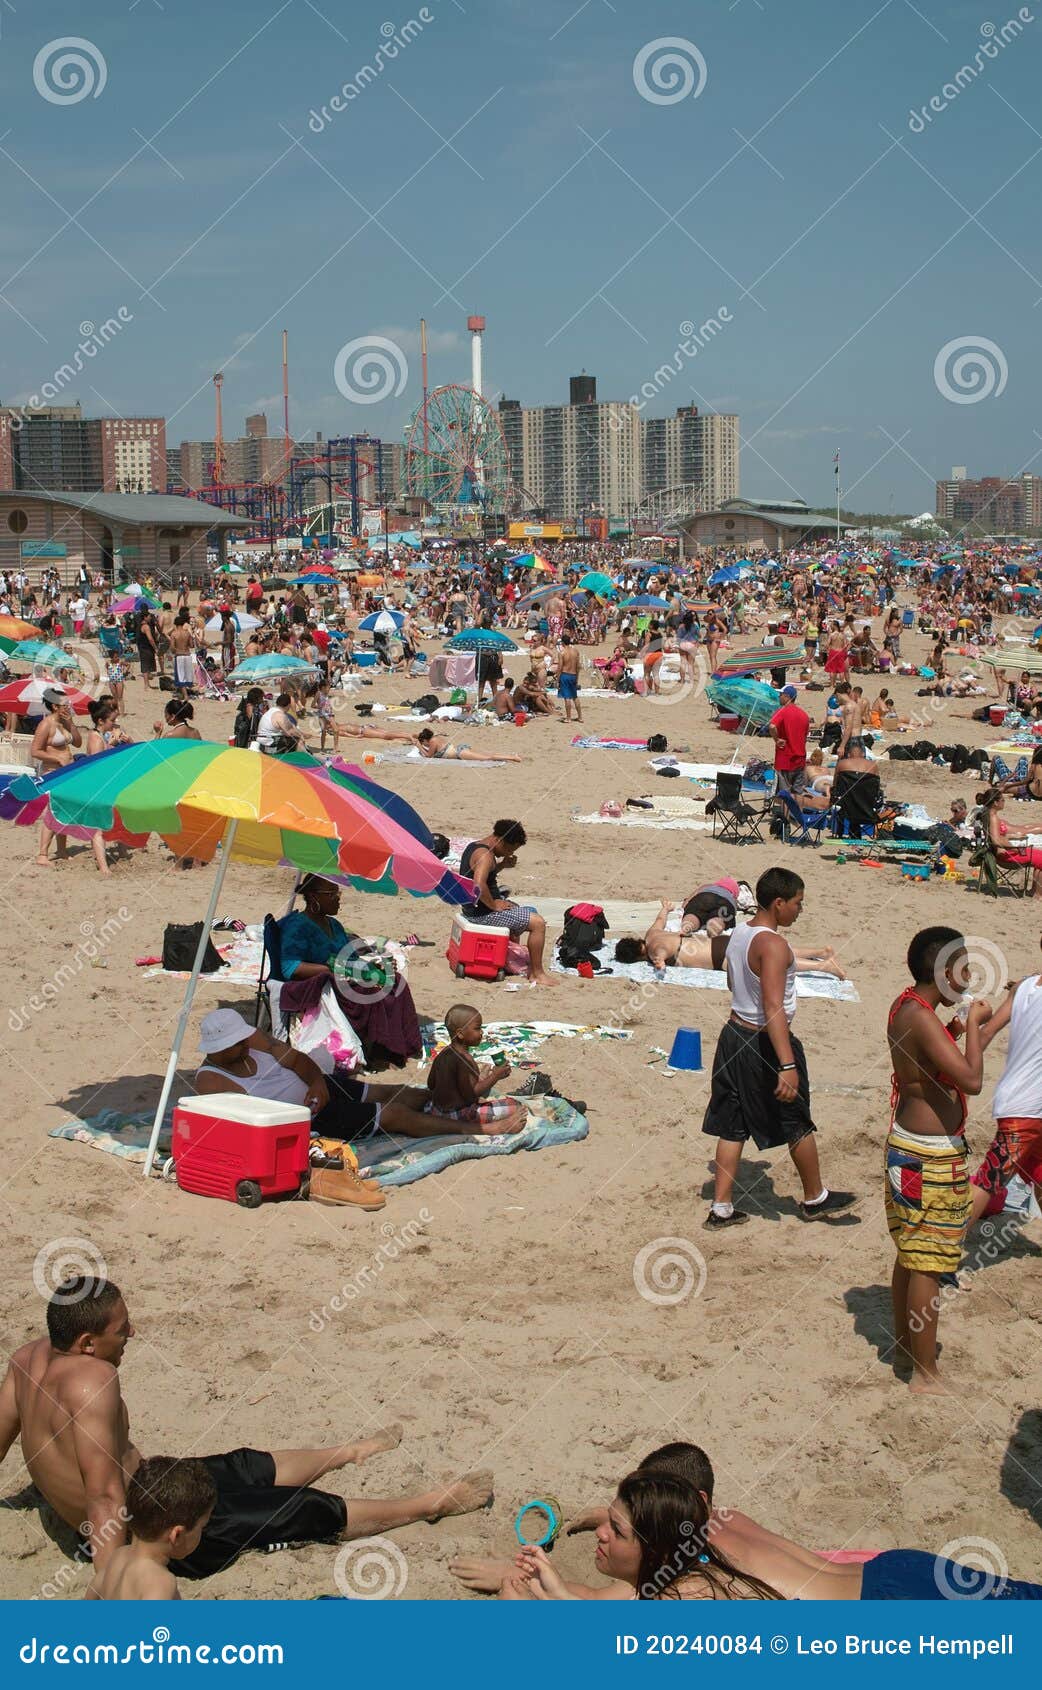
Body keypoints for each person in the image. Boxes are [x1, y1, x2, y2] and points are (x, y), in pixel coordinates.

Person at [0, 1277, 493, 1582]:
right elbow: (105, 1498)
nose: (133, 1334)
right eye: (122, 1329)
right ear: (87, 1342)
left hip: (150, 1485)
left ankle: (349, 1452)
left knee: (244, 1465)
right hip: (151, 1531)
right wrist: (115, 1583)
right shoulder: (94, 1381)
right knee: (298, 1507)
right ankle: (429, 1504)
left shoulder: (27, 1359)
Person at [457, 1440, 1042, 1603]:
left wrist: (537, 1590)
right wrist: (592, 1518)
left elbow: (604, 1608)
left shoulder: (693, 1585)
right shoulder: (725, 1522)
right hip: (901, 1570)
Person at [701, 866, 856, 1228]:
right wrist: (786, 1064)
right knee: (795, 1117)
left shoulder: (739, 933)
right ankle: (815, 1198)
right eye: (798, 903)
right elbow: (773, 1007)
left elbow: (730, 980)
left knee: (733, 1121)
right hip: (764, 1042)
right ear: (779, 902)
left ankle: (721, 1208)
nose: (800, 910)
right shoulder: (773, 944)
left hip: (733, 1035)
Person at [886, 926, 992, 1394]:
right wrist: (971, 1024)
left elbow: (936, 1060)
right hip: (930, 1158)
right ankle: (925, 1375)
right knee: (928, 1261)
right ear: (944, 971)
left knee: (910, 1252)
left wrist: (985, 1022)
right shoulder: (923, 1018)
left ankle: (907, 1349)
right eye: (964, 968)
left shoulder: (908, 1006)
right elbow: (969, 1079)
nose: (968, 976)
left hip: (907, 1149)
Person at [194, 1007, 503, 1151]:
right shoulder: (212, 1082)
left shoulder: (252, 1043)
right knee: (394, 1114)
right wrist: (310, 1102)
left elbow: (297, 1060)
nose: (245, 1044)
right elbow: (248, 1125)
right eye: (236, 1044)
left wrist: (316, 1083)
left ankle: (453, 1108)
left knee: (401, 1093)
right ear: (218, 1050)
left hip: (318, 1088)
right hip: (306, 1117)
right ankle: (472, 1128)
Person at [278, 875, 421, 1066]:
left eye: (338, 893)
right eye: (332, 894)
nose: (338, 898)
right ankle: (375, 1049)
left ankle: (394, 1047)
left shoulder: (334, 925)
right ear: (313, 898)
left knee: (394, 981)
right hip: (318, 983)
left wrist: (371, 966)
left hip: (342, 975)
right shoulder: (296, 926)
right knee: (368, 991)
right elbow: (290, 968)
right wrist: (329, 970)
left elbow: (349, 957)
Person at [969, 934, 1042, 1223]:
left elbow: (985, 1035)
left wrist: (958, 1071)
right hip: (1027, 1110)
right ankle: (943, 1254)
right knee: (990, 1179)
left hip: (1015, 1101)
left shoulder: (1024, 987)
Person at [86, 1456, 216, 1600]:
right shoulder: (160, 1582)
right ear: (177, 1535)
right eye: (202, 1527)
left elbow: (90, 1598)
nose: (202, 1533)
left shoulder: (117, 1557)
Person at [614, 901, 844, 978]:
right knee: (771, 952)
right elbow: (660, 919)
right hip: (719, 942)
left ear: (636, 956)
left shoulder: (654, 950)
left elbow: (660, 962)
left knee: (768, 965)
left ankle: (823, 966)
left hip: (718, 958)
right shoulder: (651, 935)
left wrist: (659, 965)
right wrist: (666, 907)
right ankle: (821, 952)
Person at [459, 821, 555, 987]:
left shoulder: (475, 846)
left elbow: (484, 876)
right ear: (499, 841)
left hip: (475, 909)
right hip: (481, 915)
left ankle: (510, 957)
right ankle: (537, 974)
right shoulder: (485, 856)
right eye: (509, 849)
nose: (509, 853)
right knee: (538, 924)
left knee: (529, 911)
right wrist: (494, 905)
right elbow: (478, 884)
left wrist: (502, 865)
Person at [425, 1005, 525, 1131]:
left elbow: (431, 1084)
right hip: (457, 1115)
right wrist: (495, 1076)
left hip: (434, 1110)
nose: (481, 1032)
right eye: (477, 1028)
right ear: (460, 1034)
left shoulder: (444, 1053)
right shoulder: (464, 1059)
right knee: (515, 1106)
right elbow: (471, 1095)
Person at [31, 691, 82, 868]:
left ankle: (61, 849)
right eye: (64, 704)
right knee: (53, 813)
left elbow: (77, 743)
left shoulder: (63, 722)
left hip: (67, 773)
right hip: (52, 773)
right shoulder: (46, 724)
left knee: (64, 812)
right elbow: (35, 751)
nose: (68, 706)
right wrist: (57, 759)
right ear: (54, 706)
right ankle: (42, 854)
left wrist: (72, 724)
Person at [980, 787, 1042, 896]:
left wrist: (1013, 837)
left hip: (1001, 852)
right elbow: (996, 841)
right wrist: (1016, 848)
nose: (1004, 802)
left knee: (1039, 856)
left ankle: (1034, 891)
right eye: (1002, 800)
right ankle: (1038, 894)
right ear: (995, 803)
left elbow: (996, 837)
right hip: (1005, 855)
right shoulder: (993, 817)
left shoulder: (987, 814)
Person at [768, 683, 810, 794]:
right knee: (798, 795)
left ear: (787, 696)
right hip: (800, 758)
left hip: (785, 758)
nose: (779, 697)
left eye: (781, 694)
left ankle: (785, 811)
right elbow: (805, 737)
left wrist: (776, 740)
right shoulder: (804, 715)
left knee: (784, 794)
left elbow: (772, 726)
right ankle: (796, 812)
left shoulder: (783, 711)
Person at [416, 728, 521, 763]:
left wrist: (420, 747)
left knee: (487, 757)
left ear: (425, 740)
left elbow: (429, 756)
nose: (426, 745)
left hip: (459, 753)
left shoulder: (433, 741)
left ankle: (513, 757)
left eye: (424, 743)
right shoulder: (436, 738)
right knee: (487, 754)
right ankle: (511, 756)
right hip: (460, 749)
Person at [168, 610, 196, 697]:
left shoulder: (174, 634)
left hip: (179, 655)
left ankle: (185, 695)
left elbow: (172, 647)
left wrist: (174, 651)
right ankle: (183, 692)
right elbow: (192, 645)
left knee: (180, 676)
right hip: (187, 655)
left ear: (175, 624)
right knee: (187, 675)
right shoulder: (187, 633)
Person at [556, 635, 583, 723]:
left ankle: (568, 718)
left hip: (565, 675)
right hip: (573, 675)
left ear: (562, 643)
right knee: (575, 696)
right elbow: (578, 666)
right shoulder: (576, 651)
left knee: (567, 697)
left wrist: (557, 680)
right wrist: (577, 677)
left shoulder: (562, 653)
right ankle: (580, 717)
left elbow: (560, 667)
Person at [233, 685, 265, 749]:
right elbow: (253, 724)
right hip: (247, 736)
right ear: (257, 698)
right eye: (261, 697)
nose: (262, 699)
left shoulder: (248, 704)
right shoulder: (249, 707)